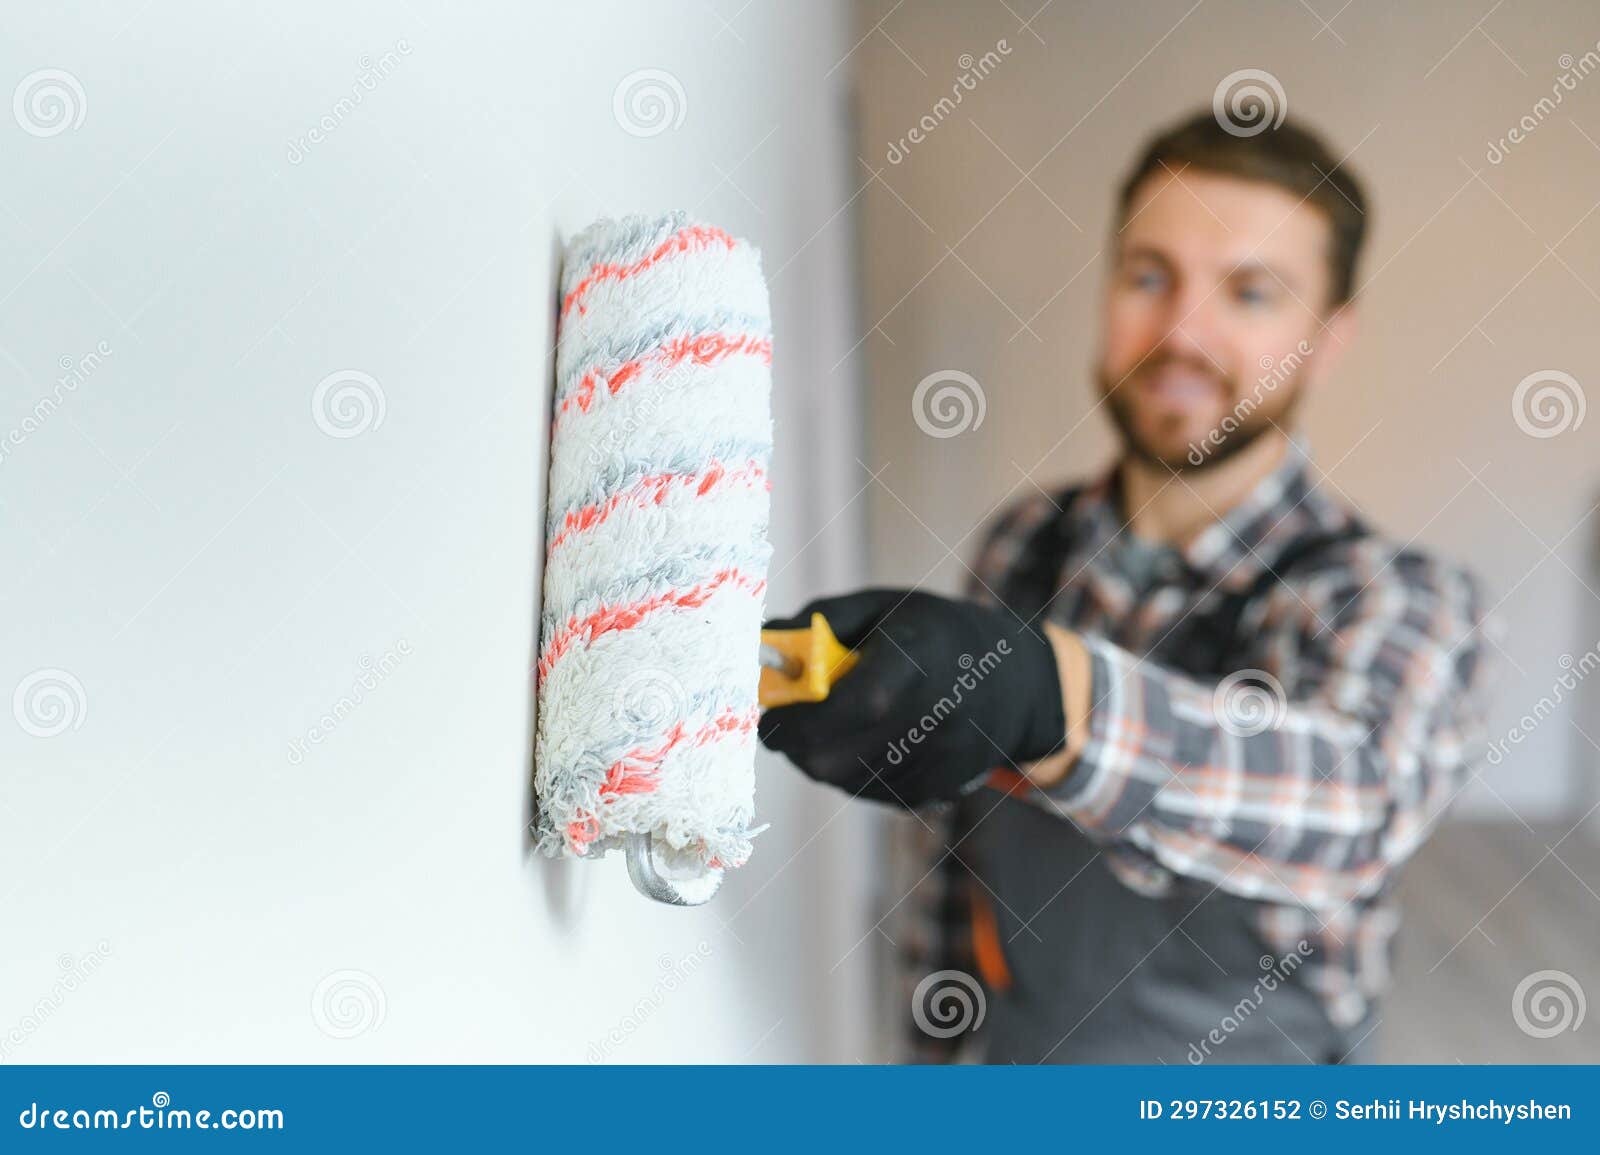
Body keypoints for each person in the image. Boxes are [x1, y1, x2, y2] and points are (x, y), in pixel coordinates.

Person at [757, 109, 1494, 1064]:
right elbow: (951, 874)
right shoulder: (1023, 544)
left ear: (1326, 338)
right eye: (1149, 276)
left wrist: (1044, 695)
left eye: (1251, 293)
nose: (1182, 331)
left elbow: (1349, 808)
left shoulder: (1398, 597)